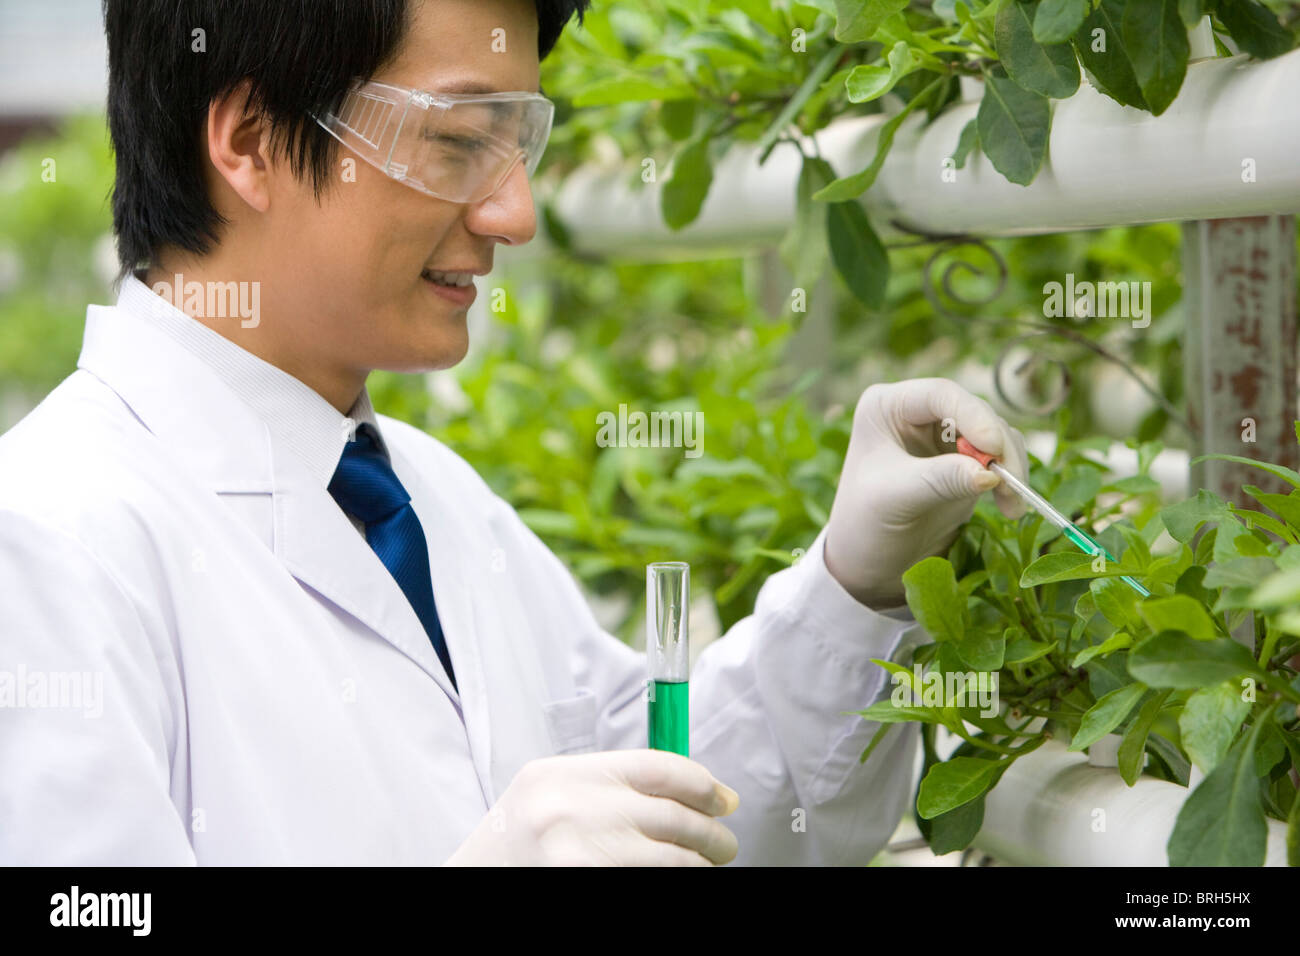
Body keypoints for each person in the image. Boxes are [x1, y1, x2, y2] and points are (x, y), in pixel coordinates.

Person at [0, 0, 1028, 865]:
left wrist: (856, 580)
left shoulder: (429, 501)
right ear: (253, 141)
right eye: (456, 142)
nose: (514, 213)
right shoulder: (47, 542)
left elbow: (675, 801)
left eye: (516, 143)